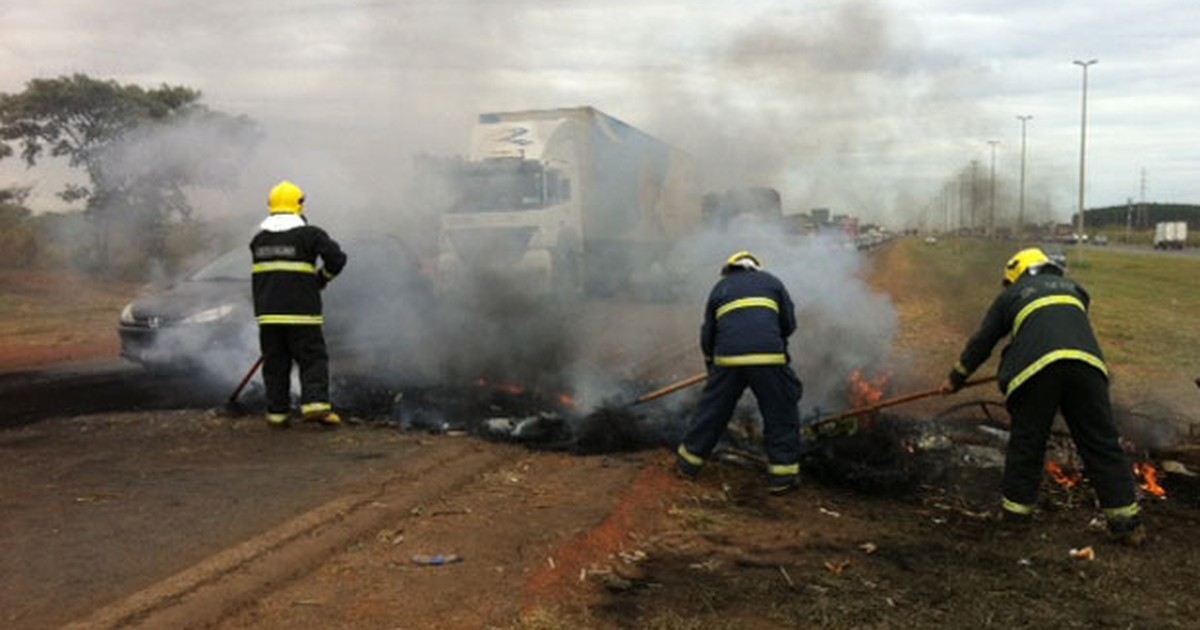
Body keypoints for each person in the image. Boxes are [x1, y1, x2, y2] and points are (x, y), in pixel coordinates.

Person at [942, 247, 1144, 546]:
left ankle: (1015, 522)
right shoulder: (1076, 289)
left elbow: (983, 342)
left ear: (1016, 273)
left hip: (1036, 371)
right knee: (1101, 444)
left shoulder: (1011, 295)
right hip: (1087, 368)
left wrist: (956, 377)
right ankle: (1127, 525)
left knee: (1028, 444)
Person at [676, 251, 804, 494]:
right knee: (780, 410)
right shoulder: (772, 282)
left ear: (730, 270)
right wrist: (773, 341)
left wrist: (712, 365)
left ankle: (687, 464)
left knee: (712, 411)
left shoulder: (720, 288)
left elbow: (708, 334)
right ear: (754, 268)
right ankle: (782, 477)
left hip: (728, 359)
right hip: (769, 358)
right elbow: (789, 323)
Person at [250, 180, 348, 428]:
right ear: (299, 205)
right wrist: (321, 279)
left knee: (275, 364)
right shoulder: (310, 235)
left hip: (268, 315)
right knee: (312, 358)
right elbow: (337, 259)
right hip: (302, 313)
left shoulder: (259, 240)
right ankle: (315, 406)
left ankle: (277, 414)